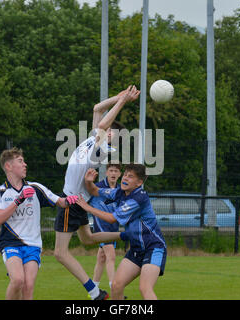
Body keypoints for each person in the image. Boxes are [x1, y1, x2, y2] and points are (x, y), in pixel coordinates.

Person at [54, 85, 140, 300]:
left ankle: (95, 293)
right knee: (88, 238)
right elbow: (97, 109)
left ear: (113, 138)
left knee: (60, 253)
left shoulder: (101, 149)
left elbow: (102, 123)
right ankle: (127, 234)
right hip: (80, 199)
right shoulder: (94, 138)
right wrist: (119, 97)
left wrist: (121, 103)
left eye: (113, 132)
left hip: (71, 200)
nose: (108, 131)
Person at [0, 147, 78, 300]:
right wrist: (18, 200)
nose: (25, 164)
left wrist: (69, 200)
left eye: (24, 161)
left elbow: (60, 201)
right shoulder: (0, 191)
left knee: (28, 287)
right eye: (20, 161)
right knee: (18, 280)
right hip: (10, 243)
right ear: (8, 166)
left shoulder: (35, 188)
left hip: (33, 245)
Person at [77, 164, 167, 300]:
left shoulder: (138, 198)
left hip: (153, 248)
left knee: (145, 288)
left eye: (130, 176)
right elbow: (95, 191)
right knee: (116, 286)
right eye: (125, 174)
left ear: (139, 182)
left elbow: (112, 218)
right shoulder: (119, 192)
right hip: (136, 249)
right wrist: (89, 181)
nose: (125, 178)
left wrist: (87, 207)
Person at [89, 163, 121, 292]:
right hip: (101, 226)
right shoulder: (97, 187)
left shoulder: (120, 190)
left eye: (116, 171)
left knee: (102, 258)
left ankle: (94, 290)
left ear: (119, 174)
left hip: (114, 226)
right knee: (111, 256)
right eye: (111, 170)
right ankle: (114, 289)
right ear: (106, 173)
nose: (113, 173)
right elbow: (87, 199)